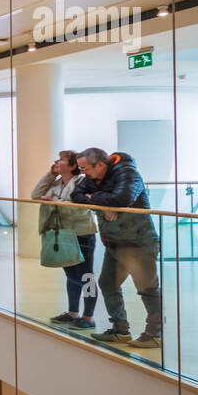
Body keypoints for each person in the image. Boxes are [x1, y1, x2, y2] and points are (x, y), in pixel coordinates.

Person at [70, 148, 162, 349]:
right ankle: (120, 330)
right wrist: (105, 205)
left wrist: (95, 199)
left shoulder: (128, 174)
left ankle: (155, 334)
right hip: (115, 243)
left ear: (100, 165)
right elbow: (76, 195)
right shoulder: (93, 178)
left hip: (138, 243)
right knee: (108, 284)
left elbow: (122, 199)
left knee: (147, 288)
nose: (83, 173)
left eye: (85, 168)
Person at [32, 150, 98, 329]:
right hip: (63, 234)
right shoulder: (56, 183)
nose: (56, 161)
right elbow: (36, 194)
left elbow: (82, 207)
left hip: (82, 234)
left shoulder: (83, 182)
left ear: (72, 165)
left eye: (61, 160)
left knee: (86, 275)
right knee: (70, 275)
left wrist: (55, 204)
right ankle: (72, 312)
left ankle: (88, 316)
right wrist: (50, 174)